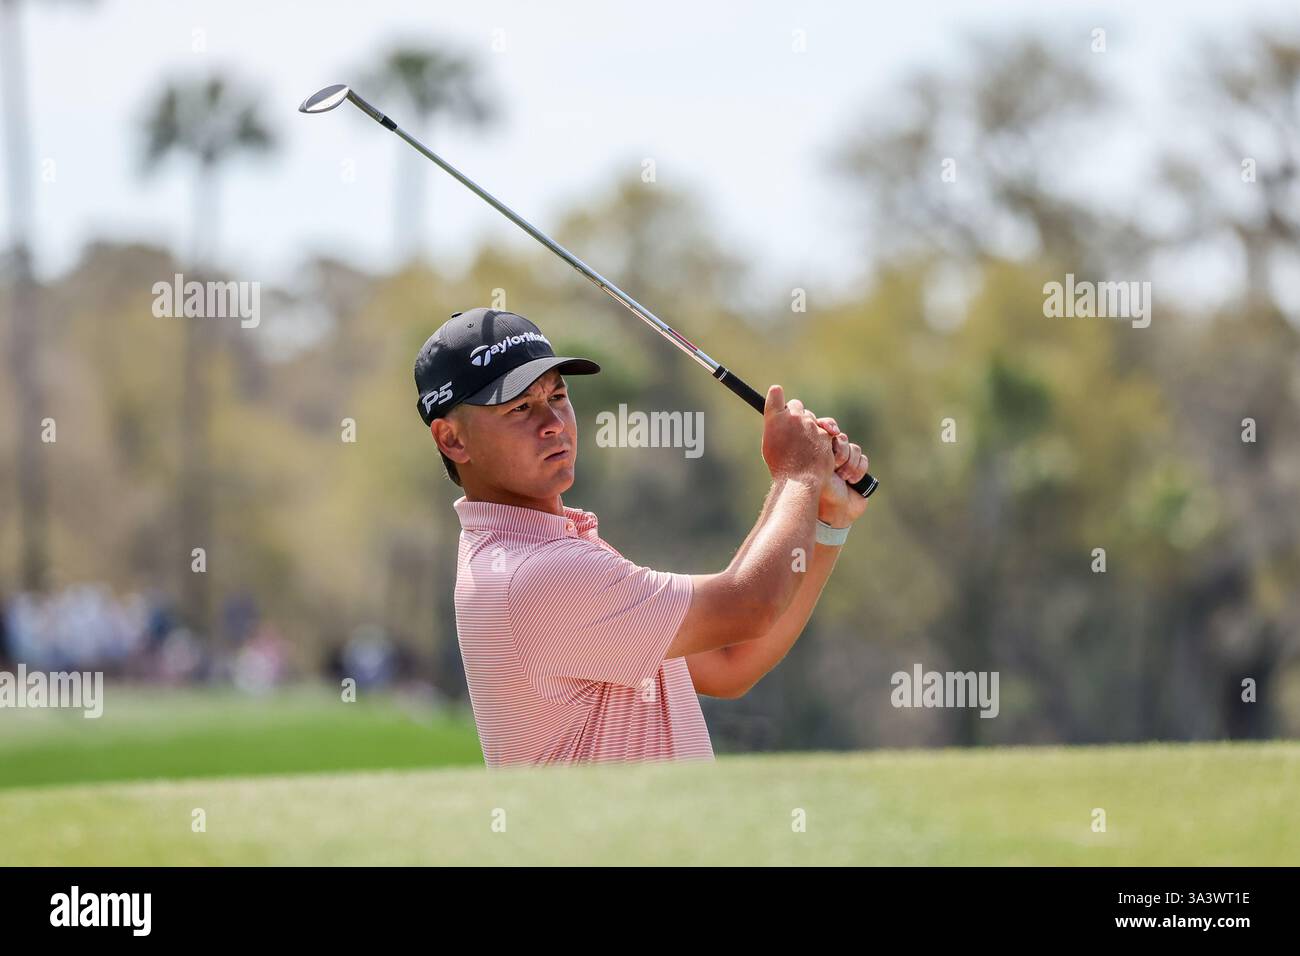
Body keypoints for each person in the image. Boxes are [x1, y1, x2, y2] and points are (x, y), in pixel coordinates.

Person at [415, 308, 870, 767]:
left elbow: (731, 661)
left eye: (557, 395)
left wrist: (827, 519)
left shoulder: (550, 555)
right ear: (452, 439)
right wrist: (798, 474)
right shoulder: (534, 575)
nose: (552, 421)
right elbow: (748, 606)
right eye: (519, 407)